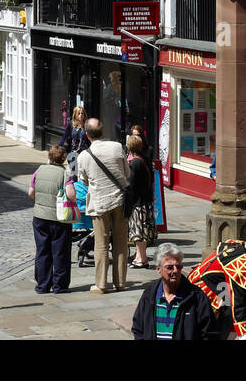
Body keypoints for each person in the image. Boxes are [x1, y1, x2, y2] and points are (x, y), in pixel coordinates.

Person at [77, 118, 130, 294]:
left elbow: (83, 180)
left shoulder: (84, 156)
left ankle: (101, 284)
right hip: (120, 200)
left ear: (86, 134)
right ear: (102, 131)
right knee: (121, 242)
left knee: (101, 243)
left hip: (99, 202)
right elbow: (126, 173)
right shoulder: (117, 147)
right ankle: (120, 282)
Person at [131, 243, 222, 340]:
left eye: (178, 267)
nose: (175, 271)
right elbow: (138, 328)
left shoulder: (196, 296)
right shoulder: (150, 294)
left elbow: (210, 333)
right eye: (169, 267)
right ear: (158, 269)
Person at [29, 145, 76, 294]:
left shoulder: (39, 170)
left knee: (42, 251)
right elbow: (71, 195)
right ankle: (59, 286)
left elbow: (31, 192)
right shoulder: (65, 174)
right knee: (60, 252)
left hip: (39, 217)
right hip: (58, 219)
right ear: (63, 159)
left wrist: (42, 202)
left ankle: (42, 285)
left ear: (49, 157)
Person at [125, 134, 158, 269]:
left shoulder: (134, 163)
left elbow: (131, 186)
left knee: (138, 232)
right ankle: (140, 257)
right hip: (147, 201)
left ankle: (141, 259)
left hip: (138, 203)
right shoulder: (145, 159)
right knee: (143, 232)